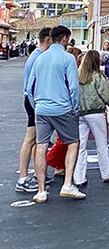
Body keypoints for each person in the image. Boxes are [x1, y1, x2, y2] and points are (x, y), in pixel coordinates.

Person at [27, 25, 85, 202]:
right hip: (62, 108)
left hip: (41, 108)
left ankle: (41, 190)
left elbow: (29, 88)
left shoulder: (39, 59)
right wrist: (74, 108)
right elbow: (74, 88)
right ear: (65, 38)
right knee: (73, 143)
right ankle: (67, 184)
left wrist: (36, 105)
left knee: (41, 146)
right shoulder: (68, 58)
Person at [73, 50, 109, 187]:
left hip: (80, 113)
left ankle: (79, 178)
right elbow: (107, 97)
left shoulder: (77, 75)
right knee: (101, 144)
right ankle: (107, 174)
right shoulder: (98, 76)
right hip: (96, 113)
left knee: (80, 146)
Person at [15, 27, 52, 193]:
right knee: (31, 139)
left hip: (33, 101)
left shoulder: (36, 56)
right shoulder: (38, 58)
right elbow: (31, 86)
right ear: (48, 40)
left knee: (38, 139)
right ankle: (23, 178)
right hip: (33, 101)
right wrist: (37, 106)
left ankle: (39, 173)